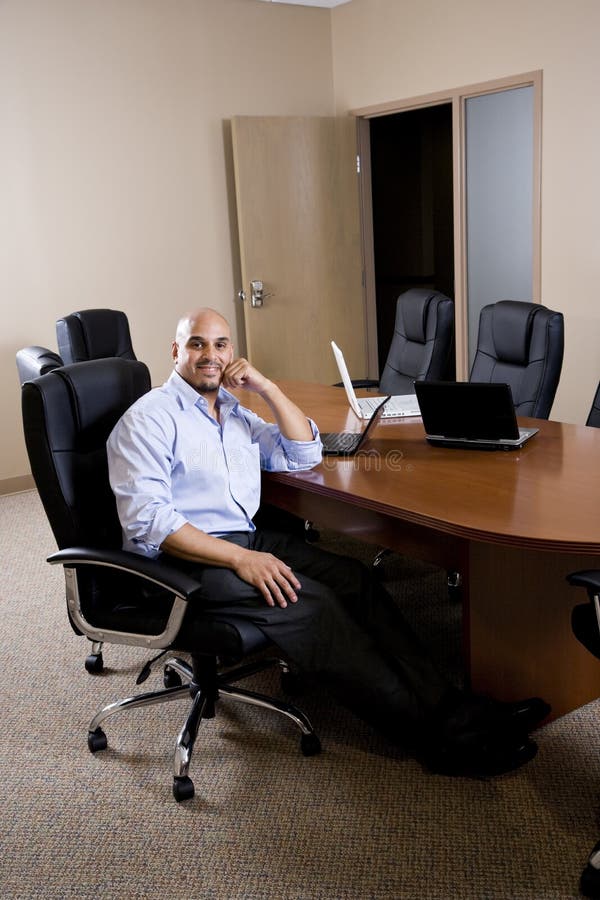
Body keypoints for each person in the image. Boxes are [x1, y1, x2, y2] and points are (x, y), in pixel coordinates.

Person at [107, 307, 550, 776]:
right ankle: (434, 738)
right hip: (182, 563)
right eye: (197, 343)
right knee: (315, 605)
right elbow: (149, 521)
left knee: (354, 579)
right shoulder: (148, 420)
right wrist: (241, 559)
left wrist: (267, 388)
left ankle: (452, 705)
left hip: (243, 541)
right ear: (176, 351)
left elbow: (303, 452)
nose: (210, 355)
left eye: (221, 344)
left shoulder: (232, 412)